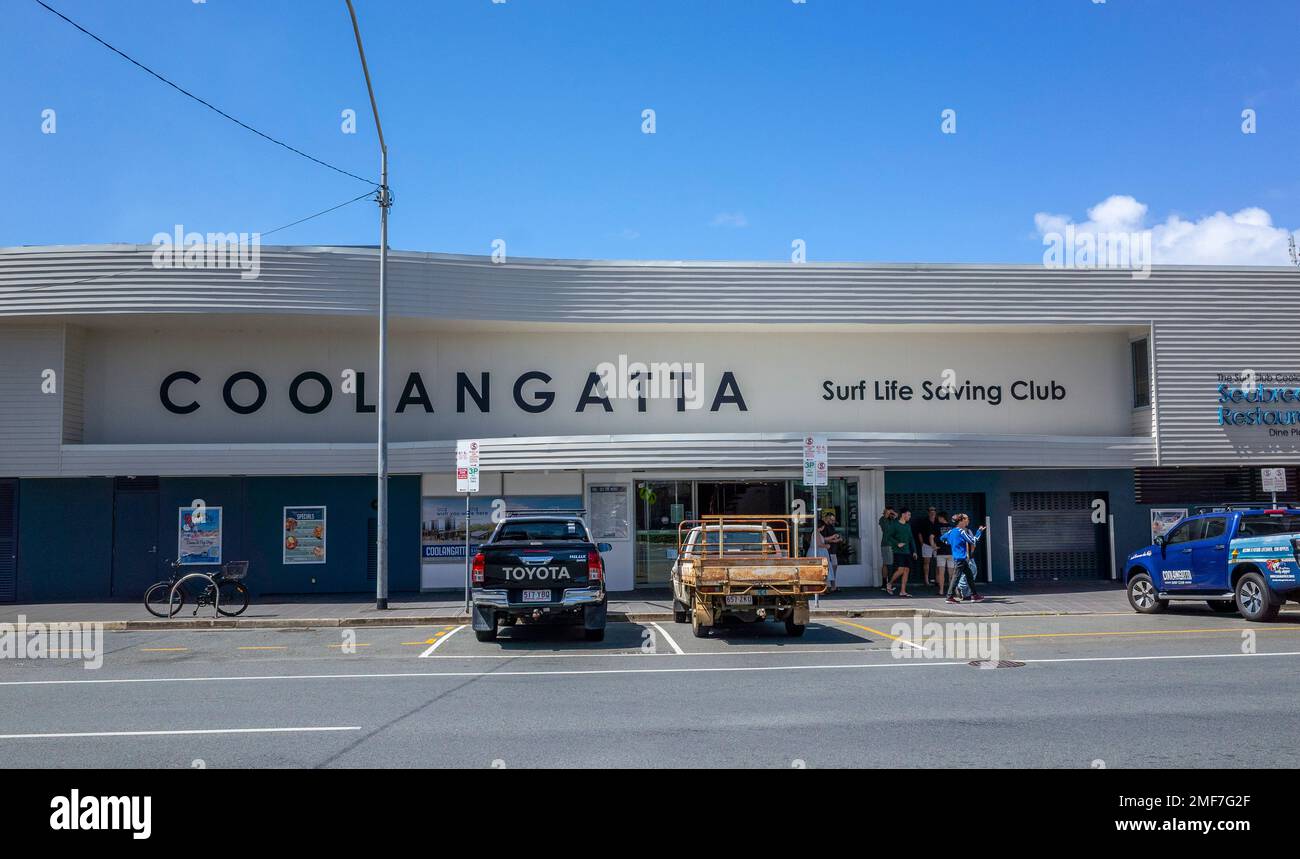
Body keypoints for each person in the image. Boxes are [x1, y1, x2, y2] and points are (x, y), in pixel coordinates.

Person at [942, 513, 986, 603]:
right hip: (961, 558)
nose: (967, 521)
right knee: (956, 577)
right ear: (961, 521)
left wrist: (950, 543)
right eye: (965, 519)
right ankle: (949, 597)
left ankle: (974, 595)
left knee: (969, 576)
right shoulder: (961, 532)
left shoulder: (951, 531)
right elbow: (973, 541)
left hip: (959, 558)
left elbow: (942, 538)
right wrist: (979, 532)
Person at [885, 508, 918, 598]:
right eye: (908, 515)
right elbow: (888, 536)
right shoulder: (895, 525)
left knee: (906, 570)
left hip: (907, 551)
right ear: (903, 515)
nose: (909, 517)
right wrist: (897, 543)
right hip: (898, 551)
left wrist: (914, 551)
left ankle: (903, 591)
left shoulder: (907, 526)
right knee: (901, 570)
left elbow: (911, 539)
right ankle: (889, 583)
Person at [815, 510, 843, 591]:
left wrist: (836, 538)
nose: (833, 522)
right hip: (828, 551)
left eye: (834, 520)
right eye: (831, 520)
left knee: (833, 568)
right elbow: (823, 540)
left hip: (833, 550)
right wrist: (835, 540)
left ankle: (832, 586)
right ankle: (829, 586)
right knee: (829, 569)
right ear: (827, 518)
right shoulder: (823, 528)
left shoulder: (830, 526)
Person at [913, 507, 939, 586]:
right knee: (926, 562)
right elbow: (919, 533)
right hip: (926, 544)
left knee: (938, 563)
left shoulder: (938, 521)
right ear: (928, 512)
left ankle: (937, 580)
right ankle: (926, 580)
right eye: (931, 510)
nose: (932, 512)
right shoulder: (924, 521)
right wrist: (922, 543)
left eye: (934, 510)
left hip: (937, 545)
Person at [933, 511, 953, 596]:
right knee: (951, 573)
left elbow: (931, 537)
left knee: (941, 573)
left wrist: (934, 546)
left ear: (942, 517)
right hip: (951, 552)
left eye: (939, 517)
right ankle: (951, 591)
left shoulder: (937, 527)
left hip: (941, 552)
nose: (938, 519)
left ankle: (941, 591)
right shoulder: (952, 527)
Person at [878, 506, 897, 590]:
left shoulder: (893, 520)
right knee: (888, 564)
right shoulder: (882, 520)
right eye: (888, 512)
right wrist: (887, 514)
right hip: (887, 544)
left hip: (894, 544)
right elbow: (886, 529)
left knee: (887, 563)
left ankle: (886, 583)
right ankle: (887, 583)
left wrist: (894, 515)